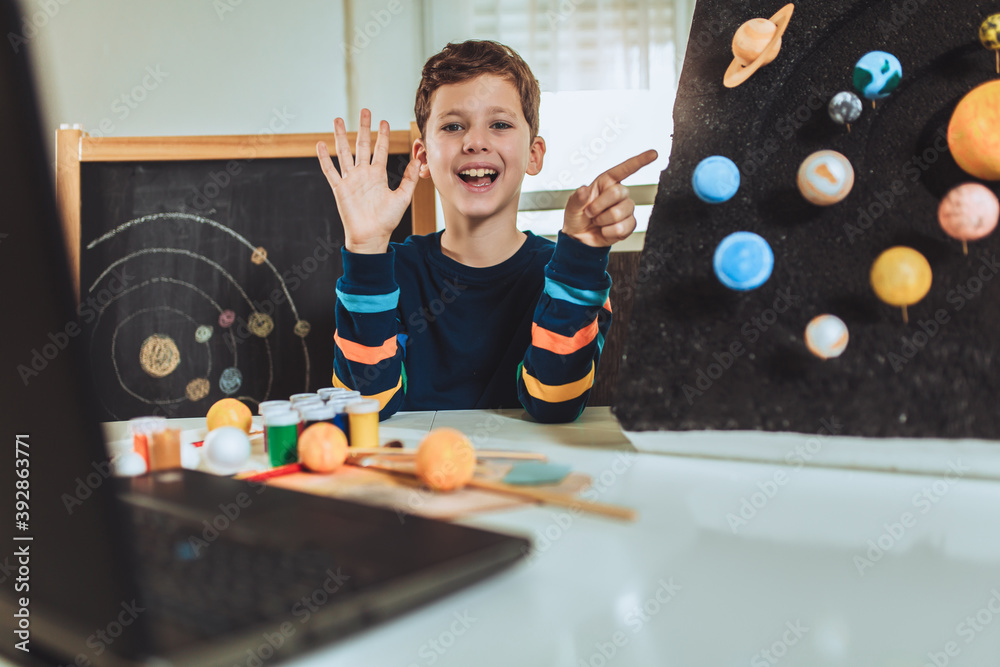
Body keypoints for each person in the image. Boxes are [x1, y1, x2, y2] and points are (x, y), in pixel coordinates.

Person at [316, 40, 656, 423]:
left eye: (499, 124)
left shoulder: (568, 275)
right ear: (423, 158)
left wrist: (581, 256)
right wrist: (366, 252)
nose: (475, 141)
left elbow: (554, 404)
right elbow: (364, 406)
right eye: (453, 126)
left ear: (533, 154)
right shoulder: (389, 274)